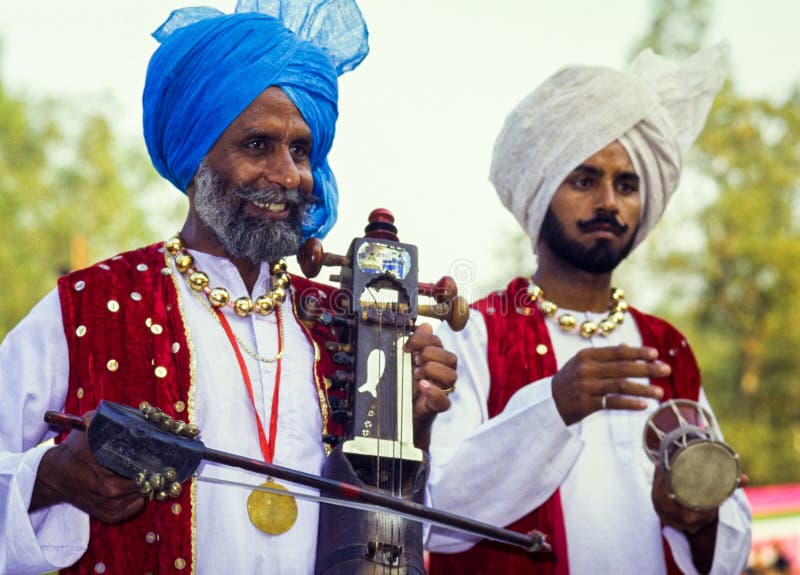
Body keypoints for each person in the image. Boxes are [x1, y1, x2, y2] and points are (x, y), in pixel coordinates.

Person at [0, 2, 457, 574]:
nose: (289, 176)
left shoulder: (346, 326)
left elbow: (405, 540)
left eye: (301, 150)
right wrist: (51, 478)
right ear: (195, 156)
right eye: (257, 145)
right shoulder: (89, 307)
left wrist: (409, 432)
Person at [425, 42, 751, 575]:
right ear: (539, 190)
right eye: (584, 180)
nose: (608, 203)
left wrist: (700, 519)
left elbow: (729, 536)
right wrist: (553, 407)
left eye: (626, 184)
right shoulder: (476, 330)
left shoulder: (666, 346)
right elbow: (434, 515)